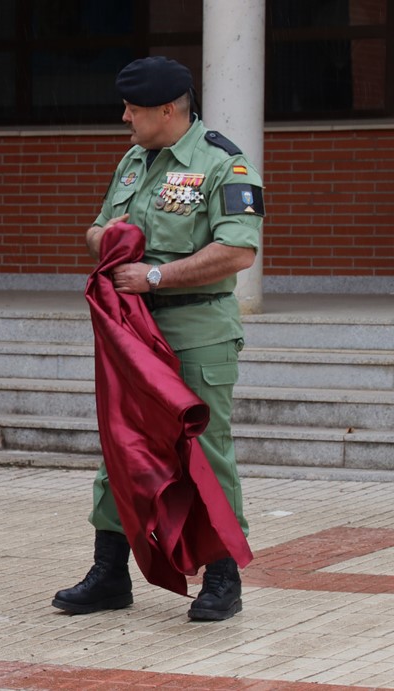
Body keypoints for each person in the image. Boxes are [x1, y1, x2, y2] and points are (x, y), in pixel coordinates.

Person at [51, 56, 263, 622]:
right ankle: (110, 571)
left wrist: (154, 275)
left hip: (195, 331)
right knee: (122, 443)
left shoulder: (223, 165)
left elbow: (238, 250)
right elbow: (98, 227)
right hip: (134, 335)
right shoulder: (132, 161)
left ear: (168, 109)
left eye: (133, 108)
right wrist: (110, 240)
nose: (125, 117)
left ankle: (222, 576)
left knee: (204, 451)